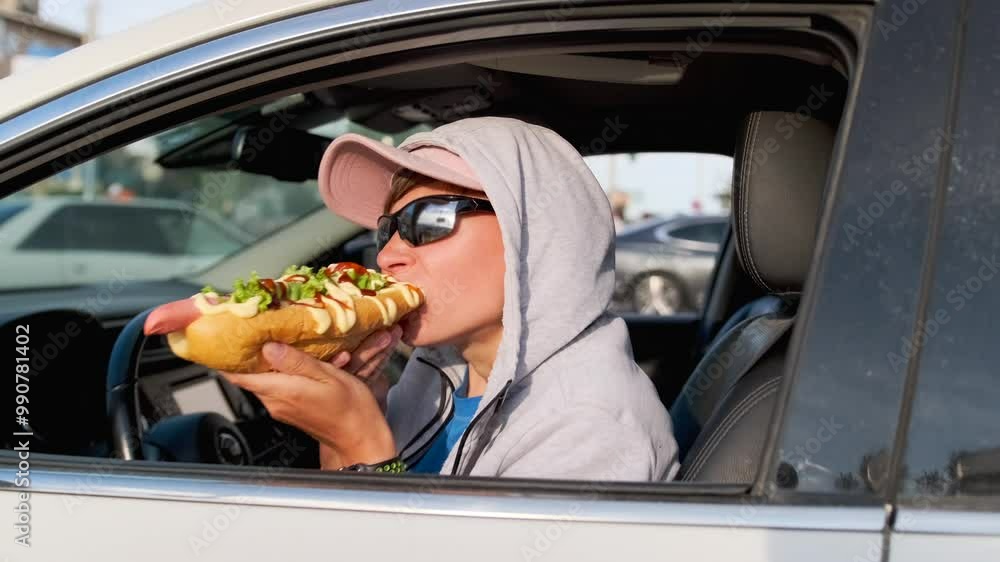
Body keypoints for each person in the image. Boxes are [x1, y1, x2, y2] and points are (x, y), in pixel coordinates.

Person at [220, 117, 679, 480]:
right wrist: (347, 426)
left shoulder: (593, 426)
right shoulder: (440, 372)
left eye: (430, 220)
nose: (387, 254)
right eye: (387, 229)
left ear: (535, 235)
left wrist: (361, 442)